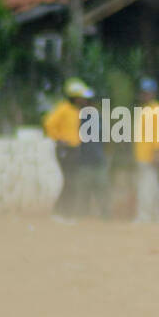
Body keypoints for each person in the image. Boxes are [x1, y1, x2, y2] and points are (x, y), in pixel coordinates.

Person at [42, 78, 94, 220]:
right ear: (74, 97)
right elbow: (49, 123)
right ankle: (59, 212)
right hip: (65, 150)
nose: (83, 100)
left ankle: (66, 212)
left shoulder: (76, 111)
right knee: (70, 181)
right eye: (81, 98)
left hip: (74, 149)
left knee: (73, 182)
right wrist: (59, 138)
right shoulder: (63, 108)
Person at [133, 77, 159, 223]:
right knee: (151, 186)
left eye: (148, 92)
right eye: (143, 92)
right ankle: (155, 216)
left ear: (153, 93)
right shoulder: (143, 110)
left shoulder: (156, 109)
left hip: (149, 156)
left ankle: (145, 216)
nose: (145, 95)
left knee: (146, 188)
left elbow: (158, 133)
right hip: (142, 155)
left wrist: (157, 153)